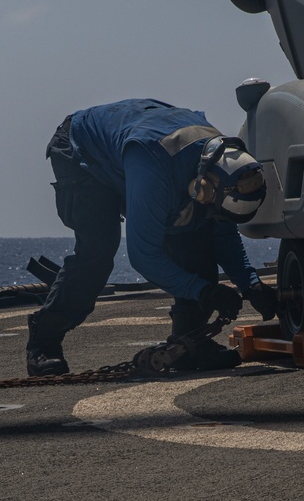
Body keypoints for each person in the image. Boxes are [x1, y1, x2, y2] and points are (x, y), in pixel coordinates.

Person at [26, 98, 279, 376]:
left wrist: (251, 286)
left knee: (197, 230)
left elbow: (222, 232)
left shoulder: (220, 168)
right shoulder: (154, 172)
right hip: (83, 150)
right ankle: (44, 342)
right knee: (98, 247)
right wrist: (204, 291)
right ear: (204, 187)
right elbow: (143, 257)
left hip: (143, 146)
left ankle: (189, 343)